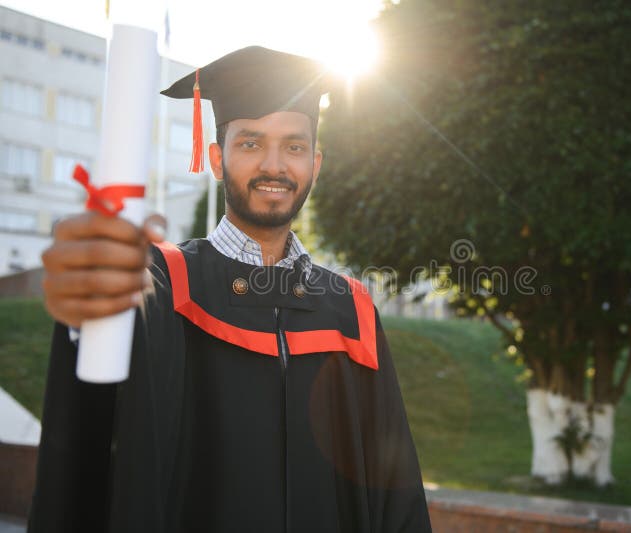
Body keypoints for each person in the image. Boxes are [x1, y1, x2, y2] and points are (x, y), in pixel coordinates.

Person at [29, 46, 432, 533]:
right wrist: (89, 301)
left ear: (315, 165)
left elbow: (395, 489)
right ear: (217, 159)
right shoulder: (164, 279)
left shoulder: (352, 309)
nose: (275, 165)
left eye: (295, 147)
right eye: (251, 143)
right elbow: (104, 376)